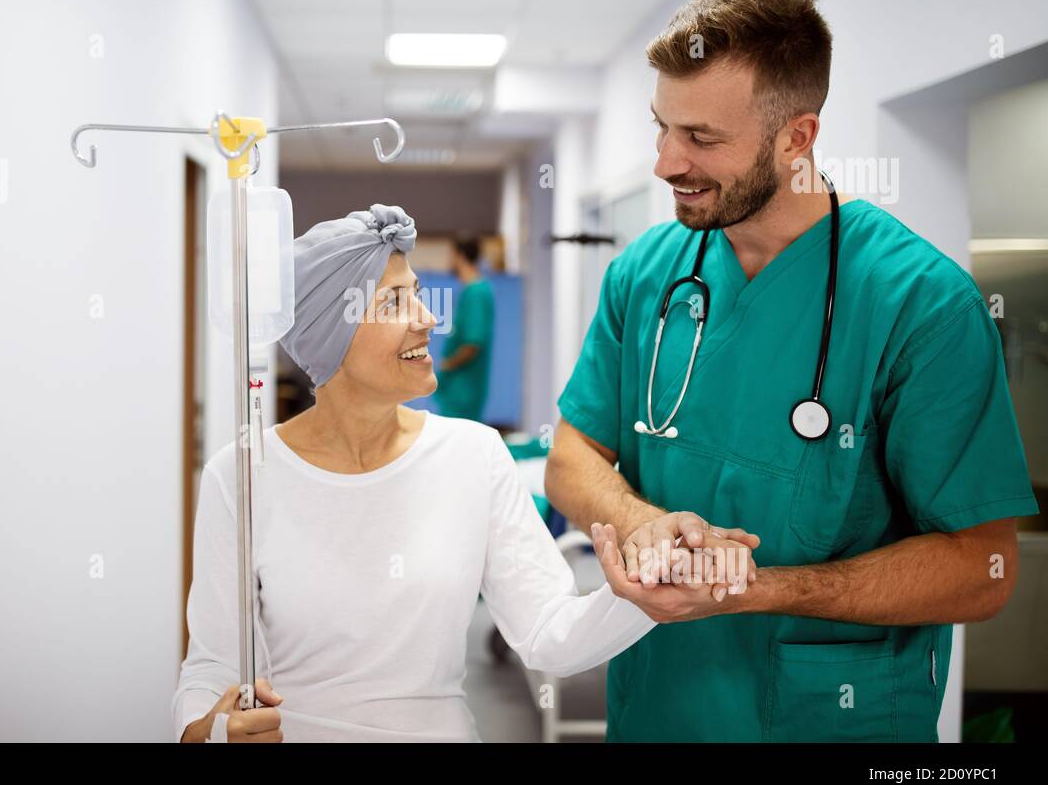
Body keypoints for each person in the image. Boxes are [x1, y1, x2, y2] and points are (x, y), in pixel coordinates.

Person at [545, 0, 1036, 742]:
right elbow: (571, 455)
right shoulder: (647, 273)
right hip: (658, 709)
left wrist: (754, 587)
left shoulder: (923, 303)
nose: (666, 163)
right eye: (661, 128)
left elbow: (983, 569)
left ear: (798, 138)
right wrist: (639, 523)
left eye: (702, 139)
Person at [173, 205, 756, 742]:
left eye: (419, 294)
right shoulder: (243, 476)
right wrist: (211, 730)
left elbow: (547, 632)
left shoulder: (474, 455)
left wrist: (650, 589)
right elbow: (211, 666)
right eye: (396, 302)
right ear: (333, 334)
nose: (429, 318)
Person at [433, 235, 495, 421]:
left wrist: (447, 364)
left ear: (459, 256)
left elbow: (472, 343)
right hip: (458, 388)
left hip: (463, 389)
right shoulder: (470, 291)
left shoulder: (477, 293)